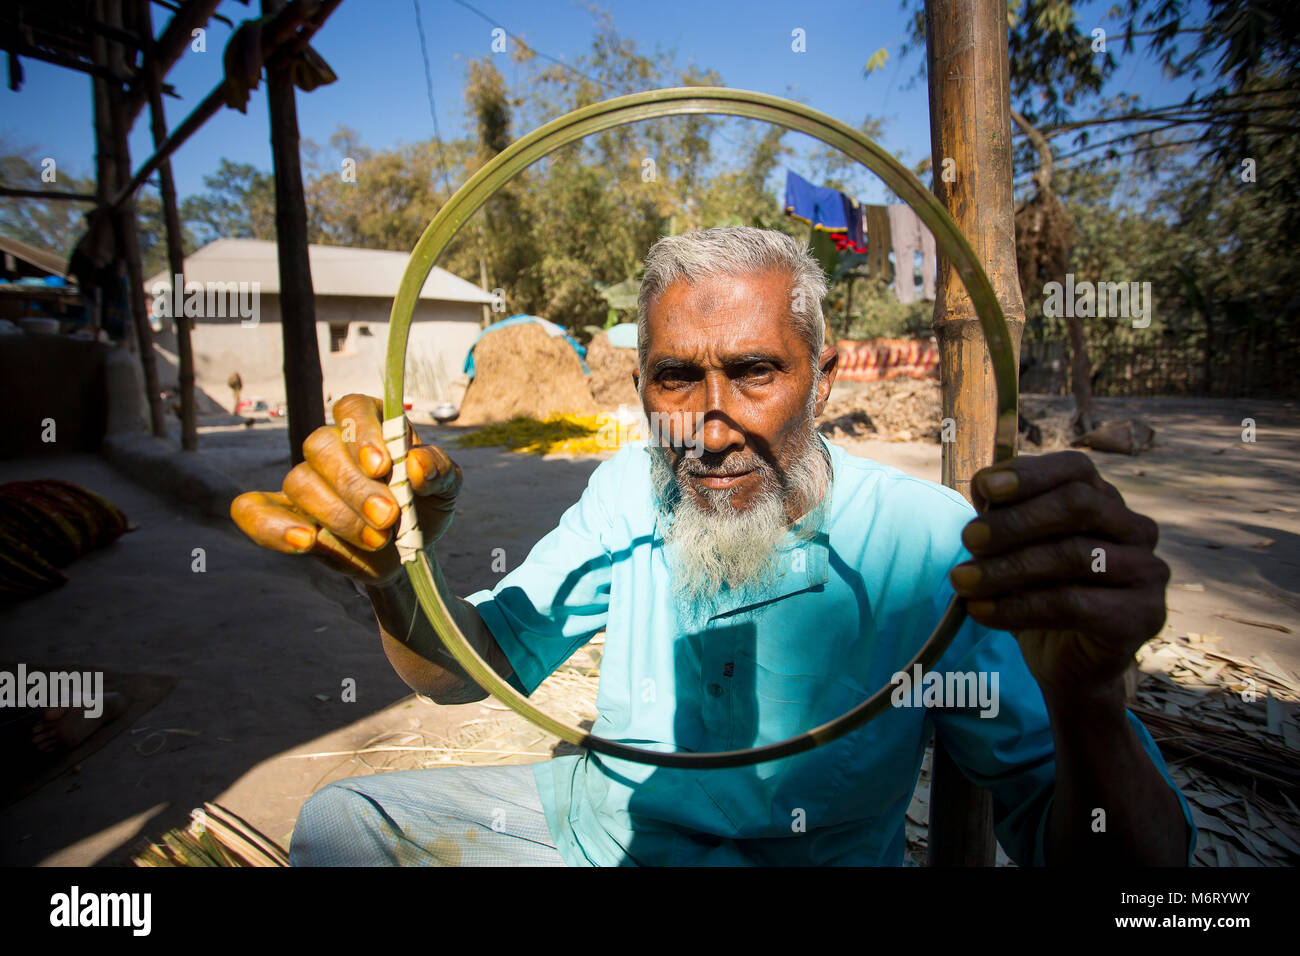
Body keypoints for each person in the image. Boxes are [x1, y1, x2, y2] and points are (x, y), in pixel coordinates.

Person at [231, 227, 1195, 867]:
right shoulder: (627, 488)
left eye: (755, 371)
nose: (713, 423)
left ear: (822, 381)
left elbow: (1132, 876)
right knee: (340, 825)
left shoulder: (928, 544)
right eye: (675, 379)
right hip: (591, 835)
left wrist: (1092, 704)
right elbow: (465, 672)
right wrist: (402, 578)